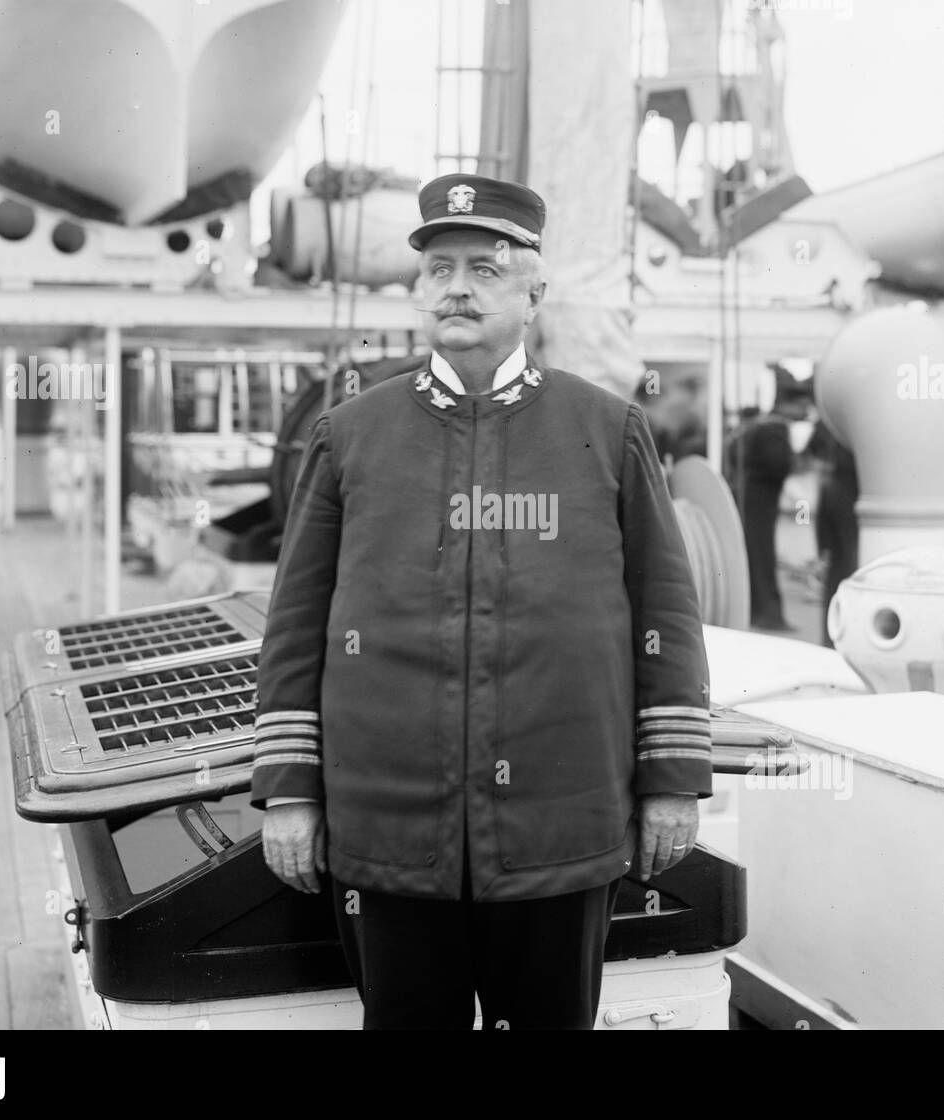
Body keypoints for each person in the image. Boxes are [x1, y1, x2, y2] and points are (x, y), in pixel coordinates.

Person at [251, 173, 713, 1030]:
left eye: (486, 268)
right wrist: (290, 791)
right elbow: (295, 626)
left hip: (558, 829)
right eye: (440, 268)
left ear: (534, 293)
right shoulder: (351, 435)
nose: (457, 287)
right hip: (390, 832)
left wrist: (673, 783)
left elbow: (665, 617)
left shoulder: (607, 432)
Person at [725, 393, 796, 631]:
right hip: (761, 500)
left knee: (754, 553)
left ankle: (758, 612)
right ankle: (768, 615)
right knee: (762, 554)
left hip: (749, 497)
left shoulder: (745, 433)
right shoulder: (773, 429)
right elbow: (778, 464)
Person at [807, 420, 859, 647]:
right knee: (850, 565)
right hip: (854, 488)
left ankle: (831, 638)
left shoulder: (833, 417)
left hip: (835, 486)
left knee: (837, 568)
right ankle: (843, 638)